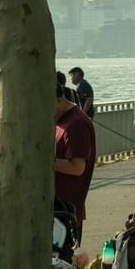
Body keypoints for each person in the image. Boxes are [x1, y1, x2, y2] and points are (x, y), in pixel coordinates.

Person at [53, 78, 98, 237]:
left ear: (59, 100)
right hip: (56, 208)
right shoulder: (61, 120)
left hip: (65, 211)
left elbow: (77, 167)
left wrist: (43, 162)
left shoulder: (77, 124)